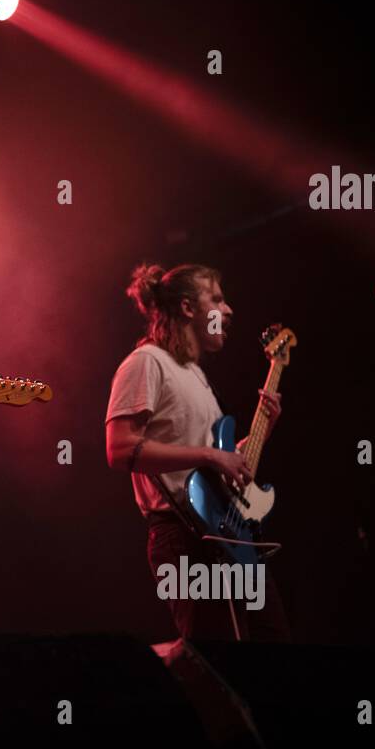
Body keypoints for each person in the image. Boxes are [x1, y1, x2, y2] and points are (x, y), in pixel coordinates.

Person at [105, 263, 290, 641]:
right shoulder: (145, 363)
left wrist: (257, 435)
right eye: (217, 299)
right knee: (218, 668)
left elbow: (217, 464)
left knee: (276, 655)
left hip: (227, 534)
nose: (229, 310)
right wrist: (208, 456)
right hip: (185, 538)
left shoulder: (195, 374)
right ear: (188, 308)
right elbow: (119, 448)